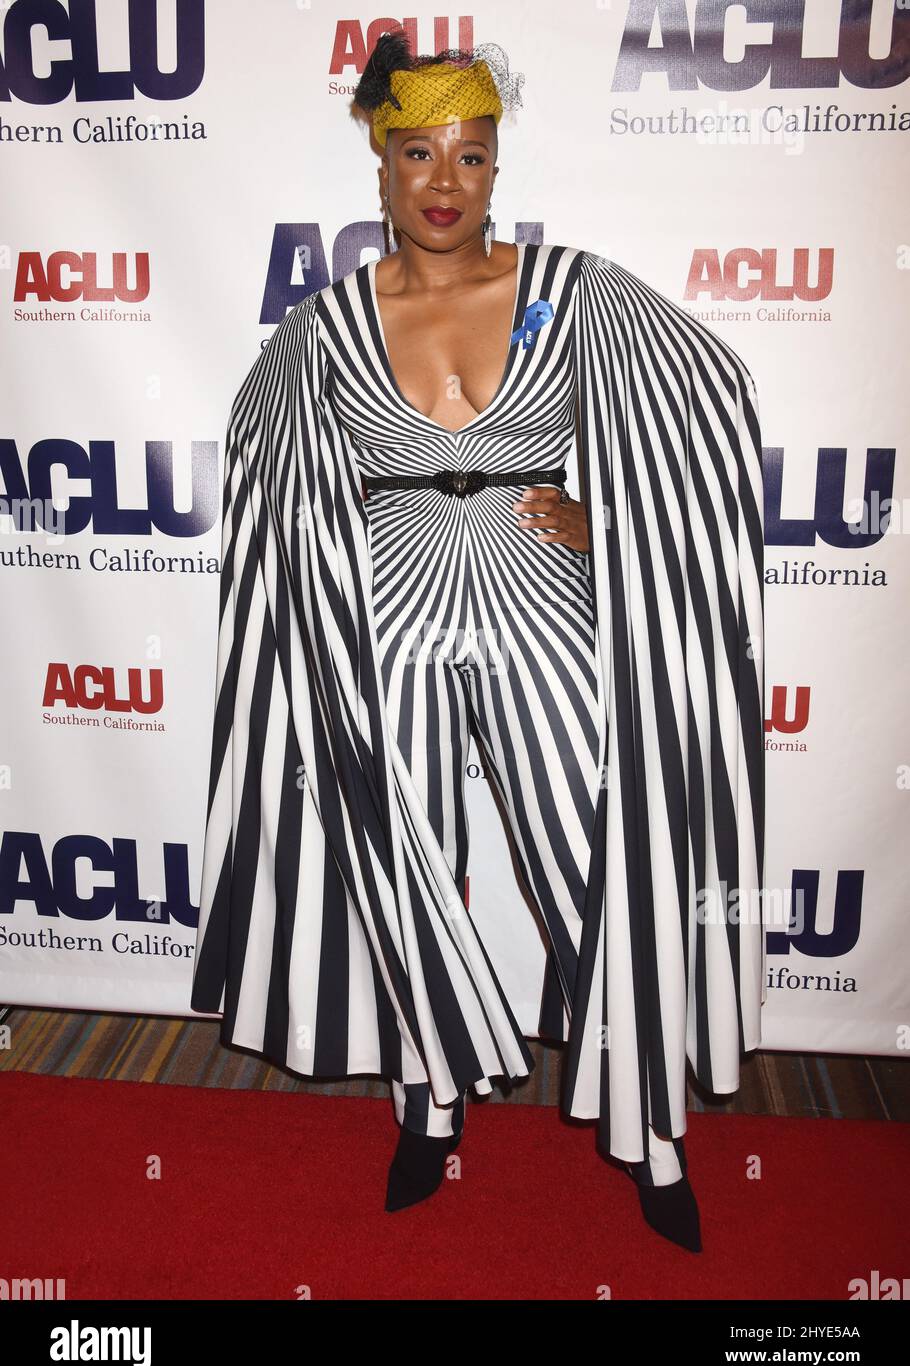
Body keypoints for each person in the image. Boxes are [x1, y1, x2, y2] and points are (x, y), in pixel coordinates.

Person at [190, 32, 765, 1257]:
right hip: (386, 611)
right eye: (417, 154)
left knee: (596, 854)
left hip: (543, 599)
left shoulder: (577, 289)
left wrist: (617, 517)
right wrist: (325, 554)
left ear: (497, 168)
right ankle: (427, 1096)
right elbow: (264, 462)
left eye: (470, 154)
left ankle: (648, 1122)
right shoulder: (326, 323)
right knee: (400, 860)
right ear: (381, 167)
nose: (444, 180)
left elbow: (709, 408)